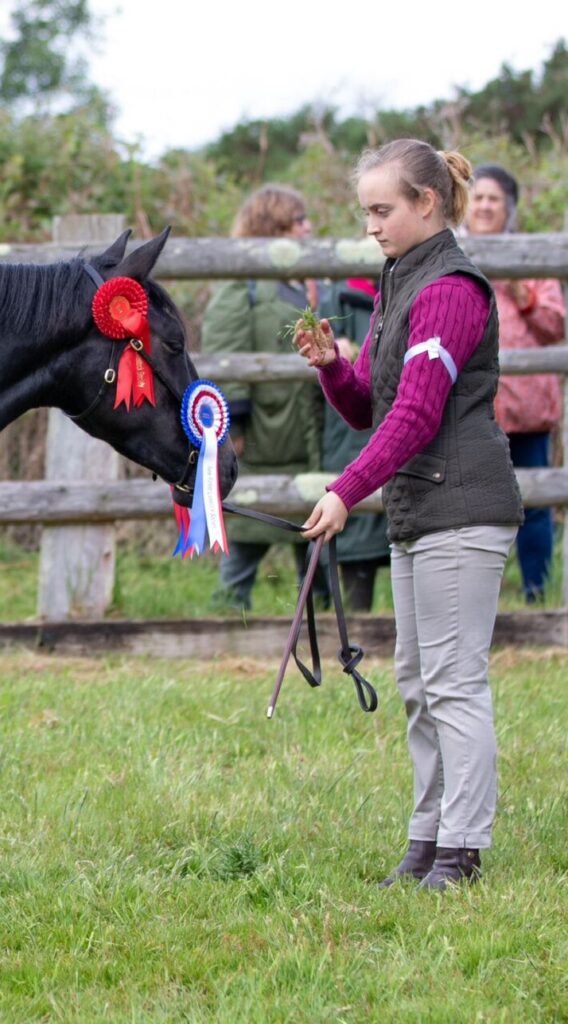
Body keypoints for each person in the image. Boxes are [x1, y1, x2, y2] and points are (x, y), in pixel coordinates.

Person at [296, 140, 524, 890]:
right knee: (418, 683)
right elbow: (369, 407)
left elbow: (419, 414)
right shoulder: (401, 283)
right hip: (419, 510)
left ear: (427, 203)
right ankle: (428, 837)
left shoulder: (451, 290)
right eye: (367, 211)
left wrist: (343, 490)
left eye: (382, 209)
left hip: (462, 505)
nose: (372, 226)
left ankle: (463, 846)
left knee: (453, 682)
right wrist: (333, 367)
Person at [201, 185, 325, 610]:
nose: (308, 228)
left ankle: (321, 617)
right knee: (249, 531)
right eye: (298, 220)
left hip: (302, 427)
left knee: (313, 529)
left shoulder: (304, 280)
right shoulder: (245, 284)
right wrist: (232, 424)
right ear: (273, 227)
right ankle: (227, 614)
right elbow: (225, 351)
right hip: (261, 431)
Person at [466, 163, 566, 602]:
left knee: (535, 503)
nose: (485, 206)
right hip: (470, 408)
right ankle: (474, 598)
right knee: (468, 509)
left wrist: (518, 290)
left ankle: (535, 592)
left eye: (494, 199)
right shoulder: (450, 253)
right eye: (478, 198)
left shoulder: (531, 256)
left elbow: (553, 326)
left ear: (509, 208)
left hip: (526, 408)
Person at [318, 278, 391, 610]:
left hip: (388, 438)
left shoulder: (404, 289)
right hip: (350, 438)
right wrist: (337, 363)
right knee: (357, 551)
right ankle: (355, 626)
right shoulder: (334, 301)